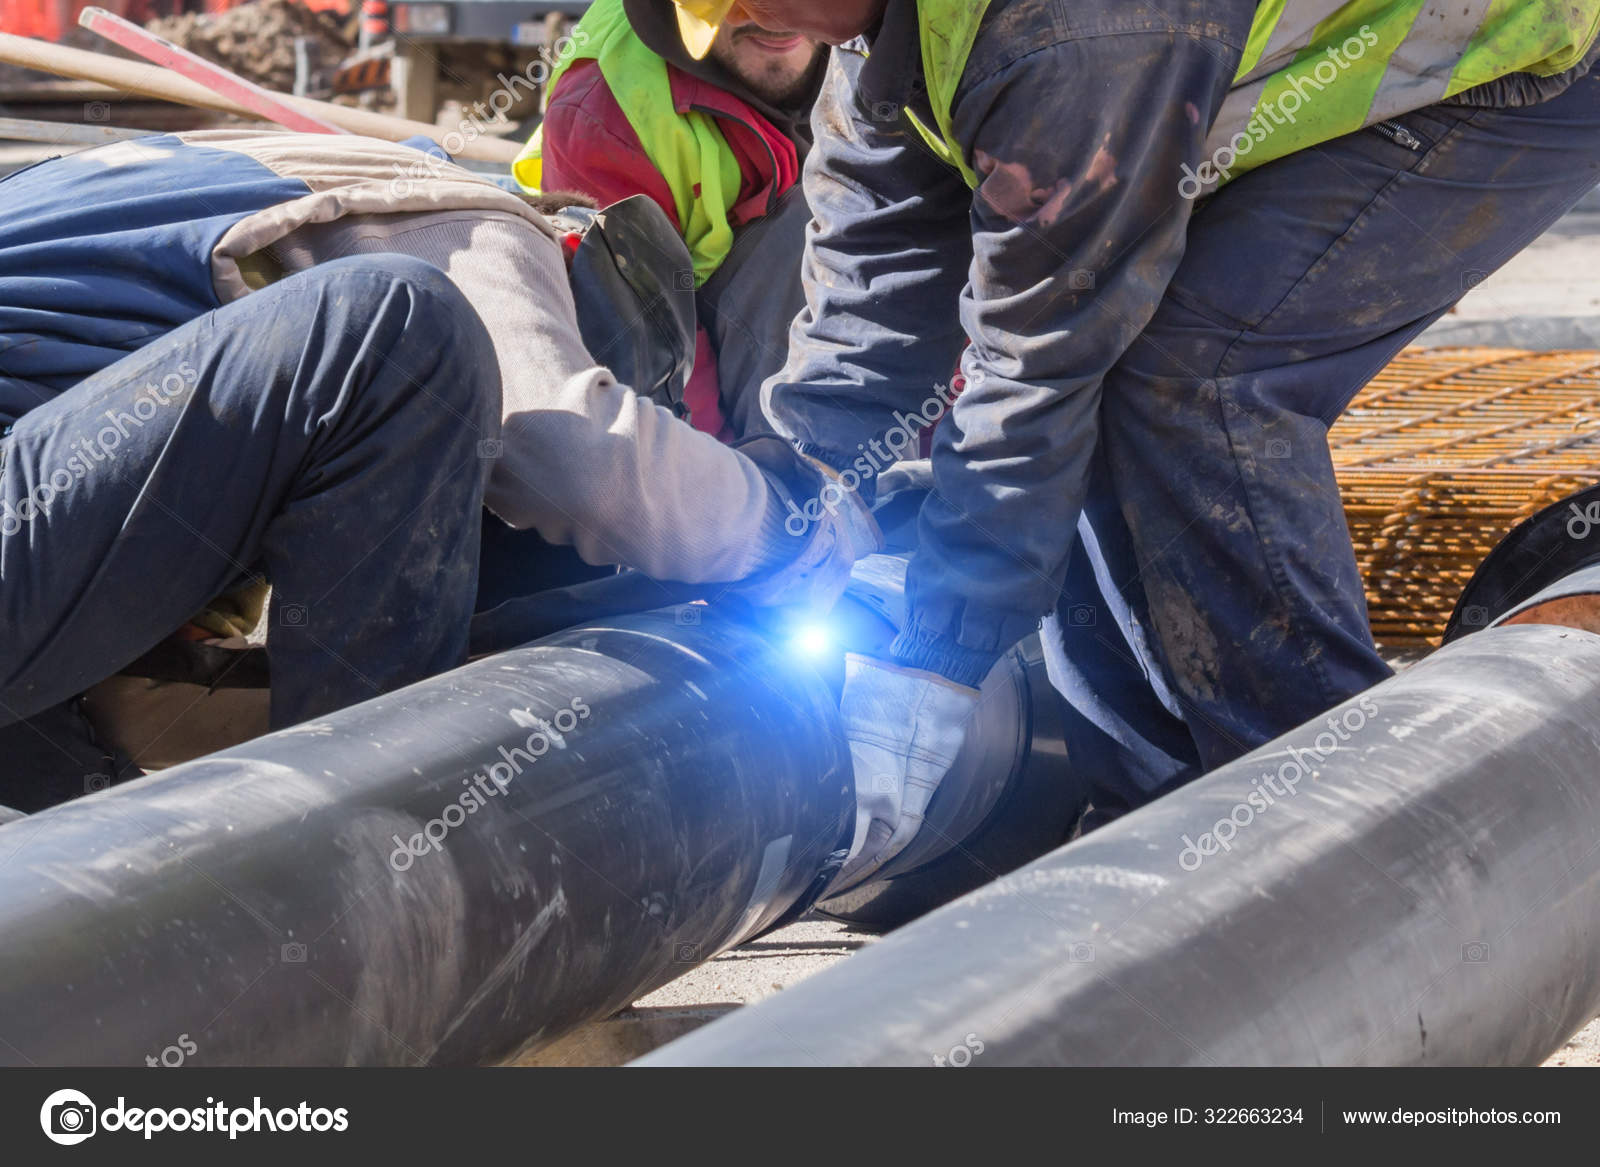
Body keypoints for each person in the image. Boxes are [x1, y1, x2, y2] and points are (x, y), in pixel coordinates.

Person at [652, 0, 1600, 888]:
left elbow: (1038, 357)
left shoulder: (1061, 35)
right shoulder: (889, 46)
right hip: (1258, 65)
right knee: (1128, 379)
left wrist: (936, 657)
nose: (752, 24)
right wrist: (812, 481)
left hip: (1508, 53)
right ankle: (1172, 828)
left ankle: (1354, 851)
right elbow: (881, 254)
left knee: (1198, 375)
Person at [0, 128, 874, 802]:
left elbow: (133, 708)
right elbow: (580, 459)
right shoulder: (465, 219)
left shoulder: (174, 243)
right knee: (394, 329)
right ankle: (369, 881)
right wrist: (801, 535)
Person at [516, 0, 826, 437]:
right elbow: (652, 354)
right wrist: (723, 483)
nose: (772, 15)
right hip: (702, 349)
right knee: (817, 231)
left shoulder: (877, 36)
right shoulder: (608, 113)